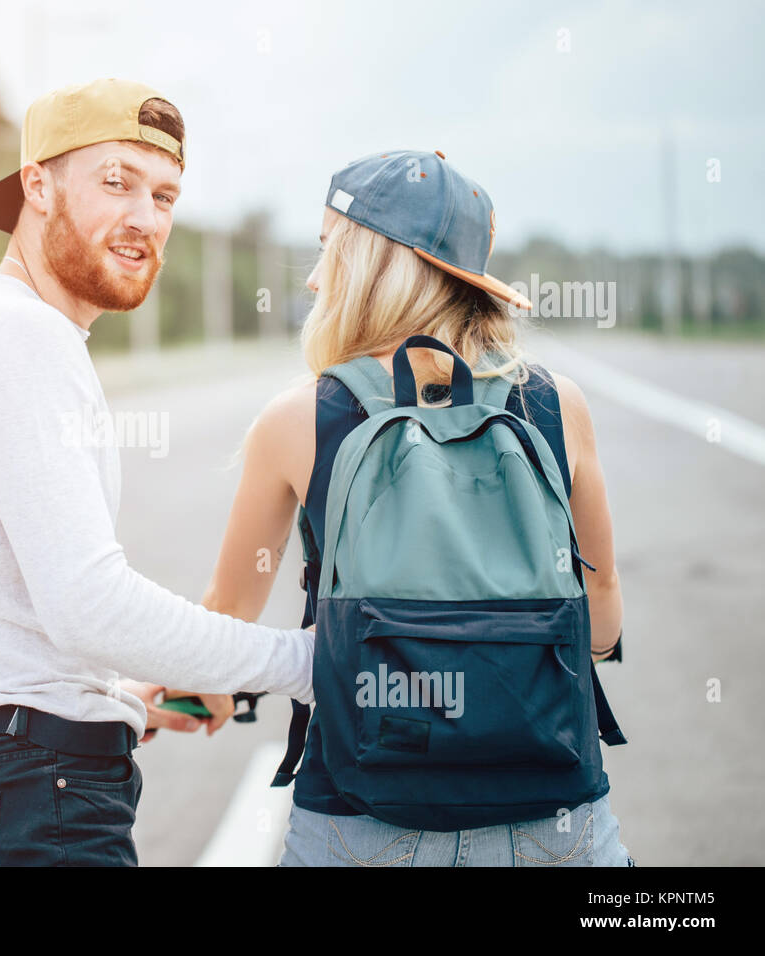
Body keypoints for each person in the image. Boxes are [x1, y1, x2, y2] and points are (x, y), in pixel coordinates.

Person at [0, 78, 315, 867]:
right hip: (24, 797)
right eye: (117, 182)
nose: (146, 217)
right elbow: (88, 605)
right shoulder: (20, 338)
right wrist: (306, 663)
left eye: (165, 195)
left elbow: (1, 625)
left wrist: (112, 702)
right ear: (37, 187)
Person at [195, 149, 634, 866]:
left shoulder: (303, 417)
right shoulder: (557, 405)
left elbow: (226, 613)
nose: (313, 278)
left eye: (328, 249)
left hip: (362, 819)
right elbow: (600, 601)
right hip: (552, 818)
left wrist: (198, 687)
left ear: (373, 265)